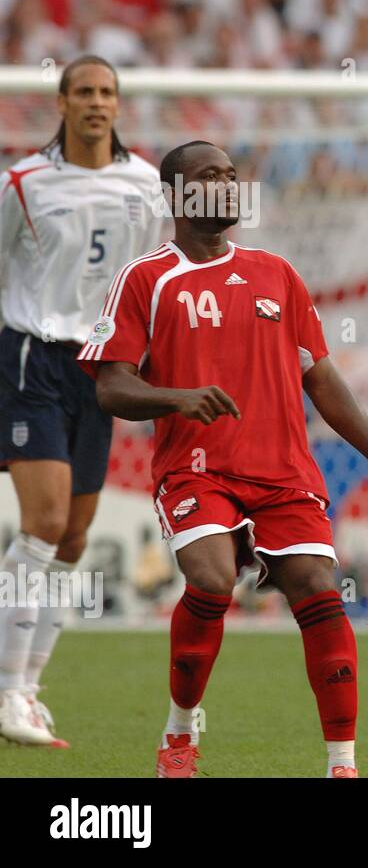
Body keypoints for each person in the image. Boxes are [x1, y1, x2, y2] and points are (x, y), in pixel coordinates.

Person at [78, 140, 368, 778]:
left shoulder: (276, 273)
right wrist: (179, 397)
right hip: (196, 472)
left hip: (285, 474)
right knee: (211, 578)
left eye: (232, 176)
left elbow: (322, 380)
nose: (228, 186)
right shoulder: (145, 279)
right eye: (210, 176)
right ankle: (180, 733)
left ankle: (342, 765)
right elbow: (110, 388)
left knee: (320, 588)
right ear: (177, 195)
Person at [0, 55, 165, 747]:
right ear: (62, 101)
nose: (98, 102)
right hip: (33, 355)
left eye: (108, 92)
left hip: (101, 370)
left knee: (72, 537)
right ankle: (5, 690)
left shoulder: (149, 183)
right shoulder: (23, 183)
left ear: (118, 105)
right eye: (85, 91)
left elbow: (150, 277)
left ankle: (30, 688)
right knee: (42, 520)